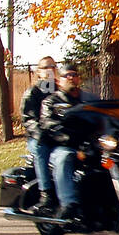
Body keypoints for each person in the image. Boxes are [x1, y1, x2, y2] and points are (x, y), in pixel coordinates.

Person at [39, 62, 88, 221]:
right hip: (63, 146)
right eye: (67, 75)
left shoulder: (86, 99)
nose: (72, 78)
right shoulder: (51, 101)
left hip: (88, 145)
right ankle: (68, 204)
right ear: (59, 81)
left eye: (74, 75)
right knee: (64, 158)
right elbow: (47, 123)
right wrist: (67, 137)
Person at [21, 57, 57, 214]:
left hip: (58, 136)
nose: (49, 70)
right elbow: (28, 119)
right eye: (45, 67)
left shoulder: (59, 90)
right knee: (41, 149)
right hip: (38, 138)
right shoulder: (33, 93)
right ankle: (46, 194)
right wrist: (40, 133)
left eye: (53, 67)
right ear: (39, 71)